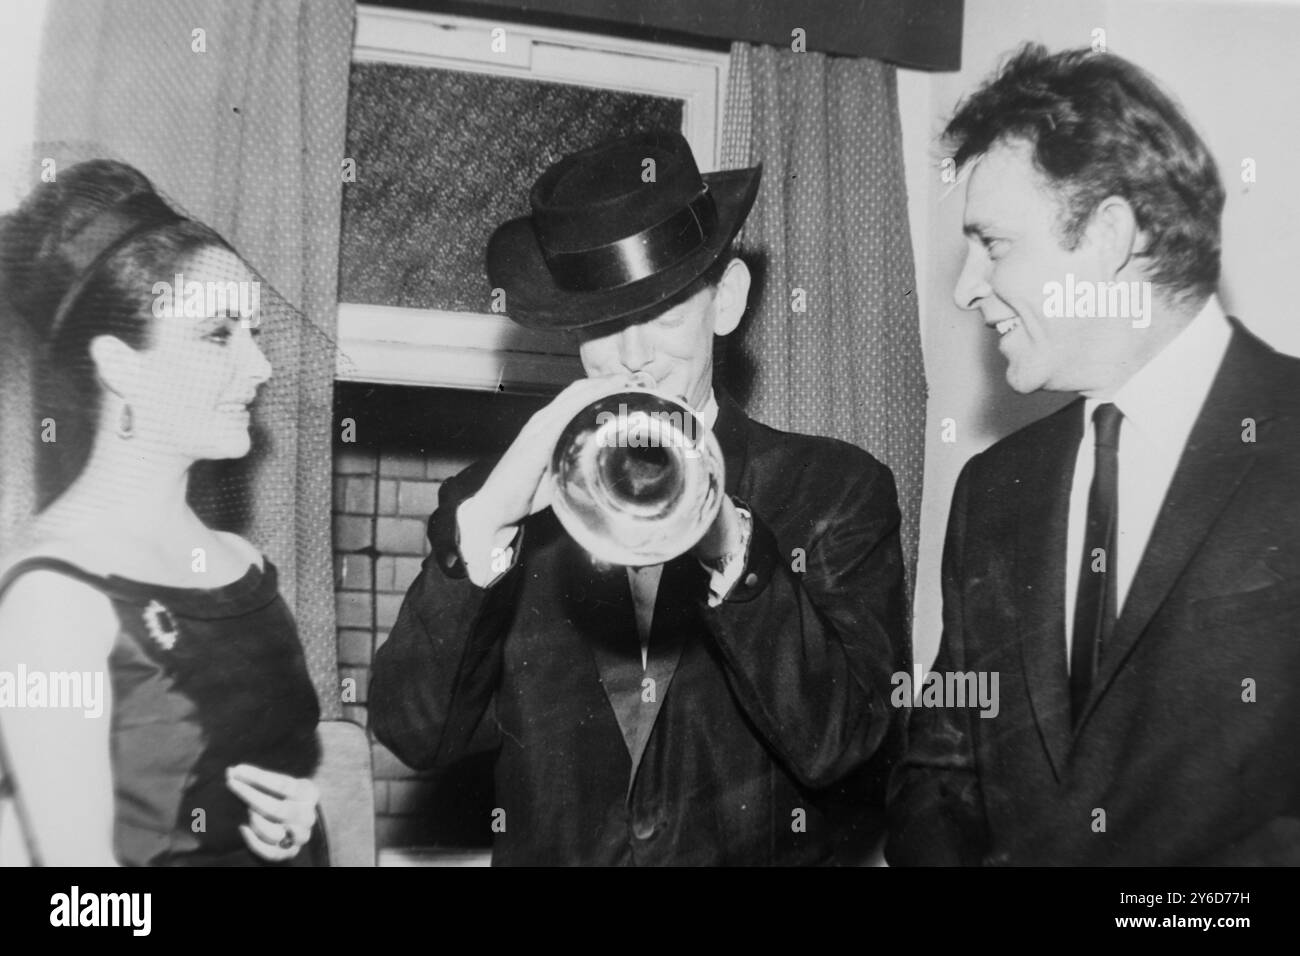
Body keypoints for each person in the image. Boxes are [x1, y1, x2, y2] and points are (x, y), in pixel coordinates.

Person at [370, 129, 909, 865]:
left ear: (728, 302)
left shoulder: (836, 490)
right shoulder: (490, 502)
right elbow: (417, 734)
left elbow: (845, 748)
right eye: (601, 324)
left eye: (663, 314)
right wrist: (487, 525)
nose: (630, 357)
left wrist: (727, 542)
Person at [887, 45, 1300, 865]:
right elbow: (939, 765)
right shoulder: (994, 489)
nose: (967, 287)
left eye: (993, 244)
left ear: (1108, 235)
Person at [0, 159, 325, 866]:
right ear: (121, 365)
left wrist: (300, 817)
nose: (261, 366)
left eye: (255, 333)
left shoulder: (243, 567)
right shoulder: (54, 597)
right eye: (218, 334)